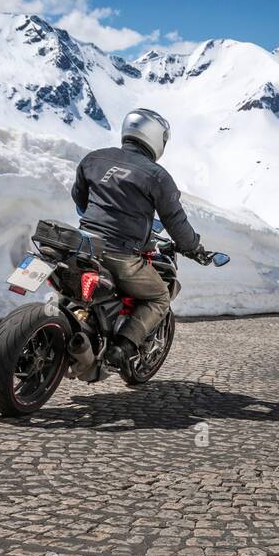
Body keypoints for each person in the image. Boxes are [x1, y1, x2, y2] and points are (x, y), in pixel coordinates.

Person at [70, 108, 209, 368]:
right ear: (156, 138)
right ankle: (122, 348)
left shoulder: (94, 159)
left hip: (80, 243)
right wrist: (193, 247)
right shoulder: (156, 176)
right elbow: (175, 221)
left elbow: (80, 199)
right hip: (119, 252)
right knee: (158, 298)